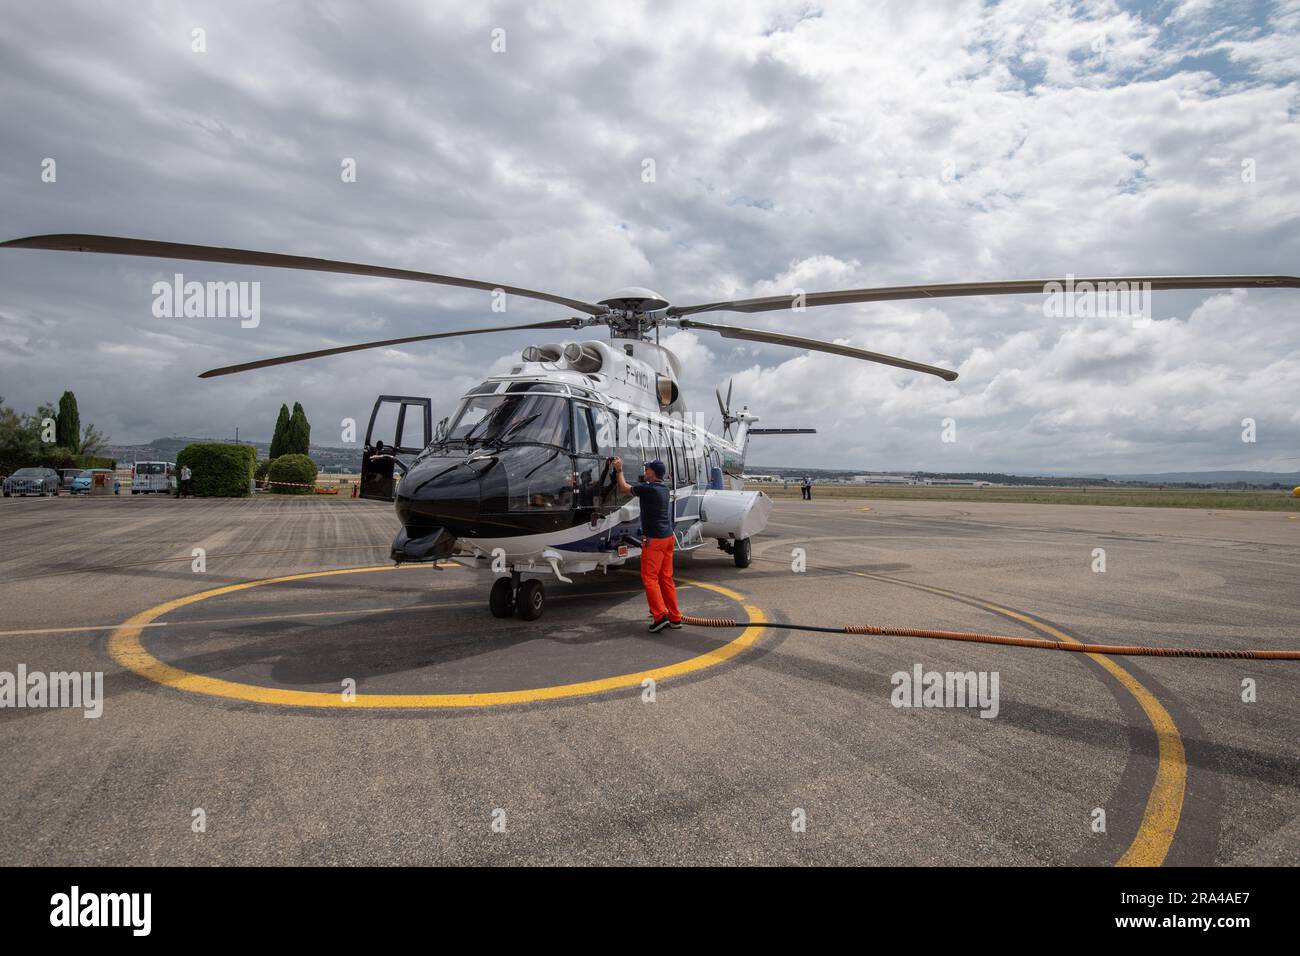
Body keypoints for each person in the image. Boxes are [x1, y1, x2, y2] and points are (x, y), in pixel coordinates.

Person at [612, 456, 682, 632]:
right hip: (668, 538)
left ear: (654, 473)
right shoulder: (664, 489)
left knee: (650, 578)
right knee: (665, 578)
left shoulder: (648, 489)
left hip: (655, 540)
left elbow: (623, 488)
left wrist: (619, 470)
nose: (645, 471)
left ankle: (659, 617)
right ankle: (674, 617)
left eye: (647, 469)